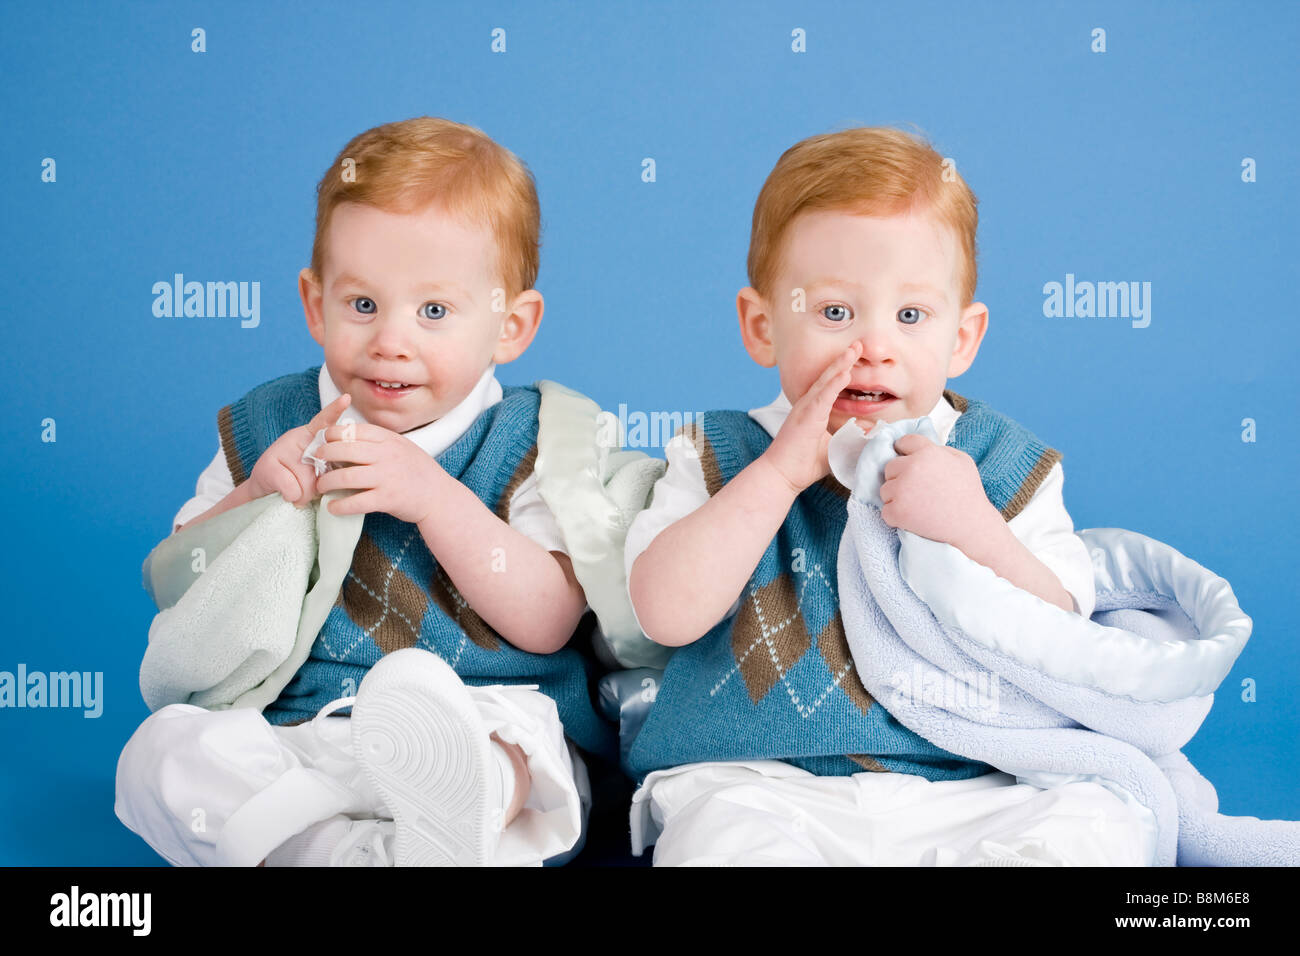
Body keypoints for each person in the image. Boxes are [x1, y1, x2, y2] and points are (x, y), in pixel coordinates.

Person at [622, 126, 1156, 866]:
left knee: (1099, 823)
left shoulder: (1001, 463)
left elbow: (1063, 628)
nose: (873, 346)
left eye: (910, 317)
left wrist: (975, 529)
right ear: (762, 324)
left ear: (962, 338)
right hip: (764, 784)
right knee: (722, 841)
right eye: (835, 313)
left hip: (974, 784)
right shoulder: (719, 453)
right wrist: (776, 477)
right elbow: (664, 612)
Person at [115, 116, 613, 867]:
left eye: (434, 311)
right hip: (297, 729)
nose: (391, 340)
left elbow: (549, 620)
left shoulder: (538, 440)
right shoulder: (267, 427)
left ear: (511, 325)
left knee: (525, 753)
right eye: (363, 305)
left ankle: (429, 826)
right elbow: (175, 585)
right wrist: (251, 497)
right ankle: (354, 853)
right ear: (316, 305)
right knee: (163, 753)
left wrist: (436, 499)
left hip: (475, 712)